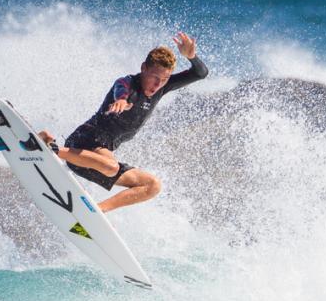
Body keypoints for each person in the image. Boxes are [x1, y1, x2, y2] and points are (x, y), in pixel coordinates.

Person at [38, 32, 208, 213]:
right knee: (111, 167)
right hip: (82, 143)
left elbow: (200, 73)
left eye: (164, 80)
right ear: (144, 68)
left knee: (152, 185)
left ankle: (96, 211)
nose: (158, 84)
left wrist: (192, 57)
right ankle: (51, 149)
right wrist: (120, 100)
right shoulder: (127, 83)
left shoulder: (161, 87)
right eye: (155, 77)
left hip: (99, 157)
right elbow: (121, 88)